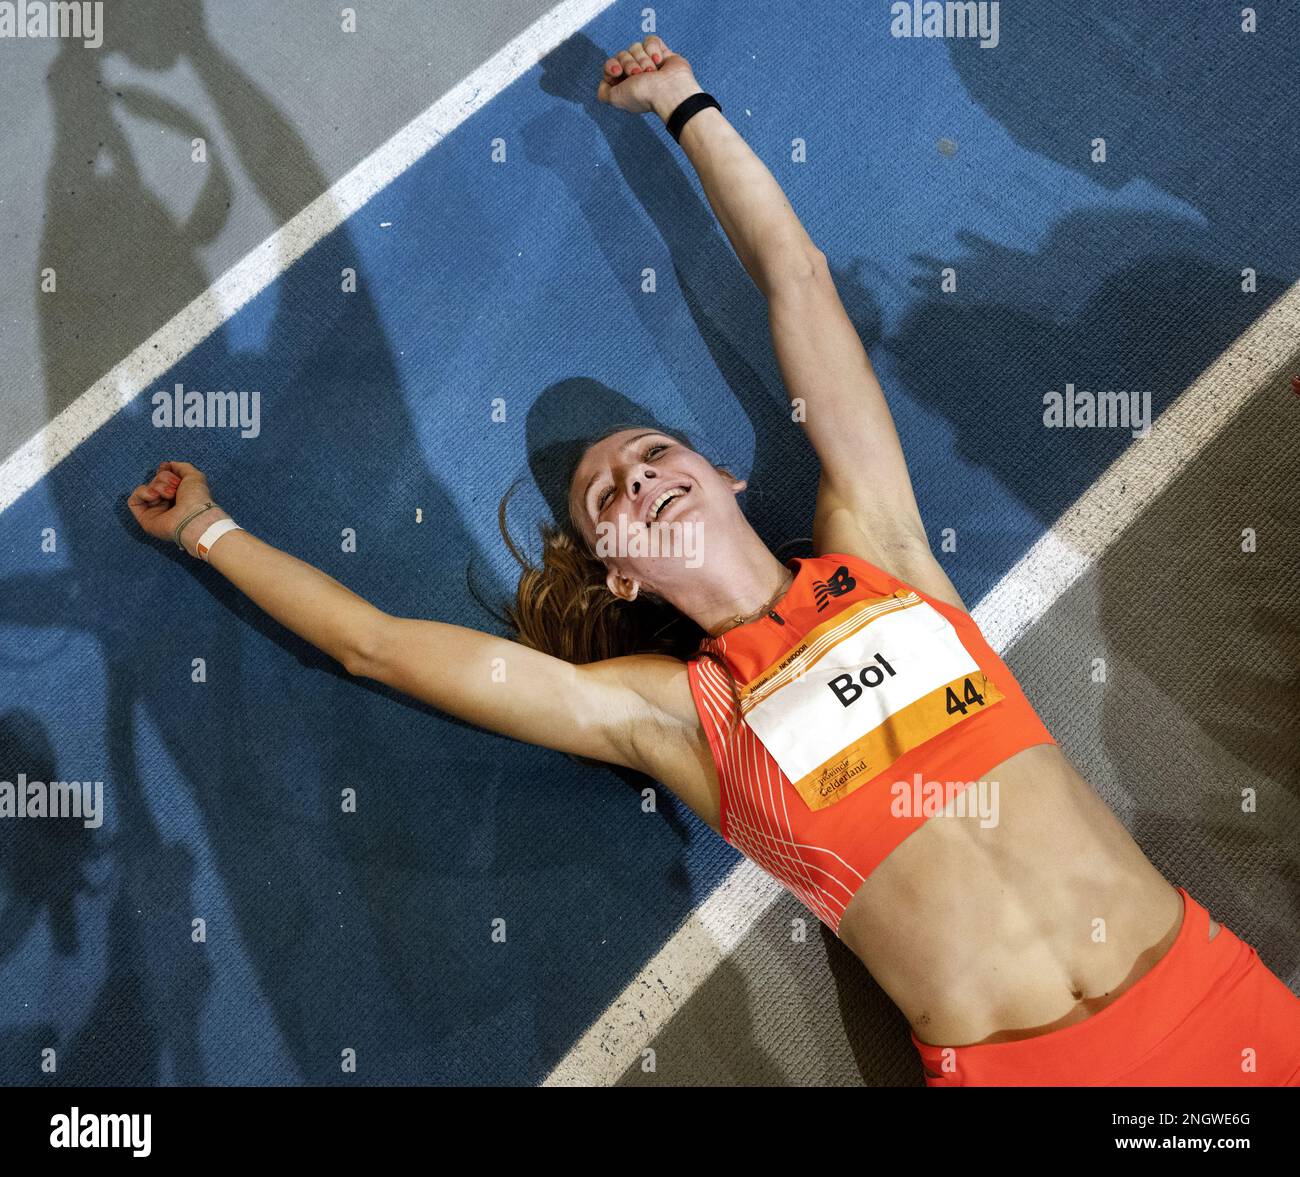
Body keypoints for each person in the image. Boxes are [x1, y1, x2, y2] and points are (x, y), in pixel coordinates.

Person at [127, 36, 1300, 1086]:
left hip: (1215, 1008)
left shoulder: (882, 551)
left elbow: (797, 282)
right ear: (618, 573)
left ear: (727, 474)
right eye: (608, 497)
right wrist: (206, 531)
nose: (637, 476)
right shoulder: (673, 716)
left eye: (652, 452)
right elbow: (375, 648)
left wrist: (685, 109)